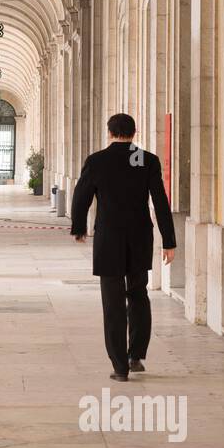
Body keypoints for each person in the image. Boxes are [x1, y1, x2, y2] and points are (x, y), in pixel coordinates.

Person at [70, 113, 176, 381]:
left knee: (112, 302)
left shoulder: (97, 161)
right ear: (134, 133)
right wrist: (169, 240)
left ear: (110, 133)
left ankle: (120, 367)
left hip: (109, 239)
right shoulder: (146, 160)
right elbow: (160, 202)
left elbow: (81, 195)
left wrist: (79, 227)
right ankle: (136, 355)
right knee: (138, 294)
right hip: (140, 237)